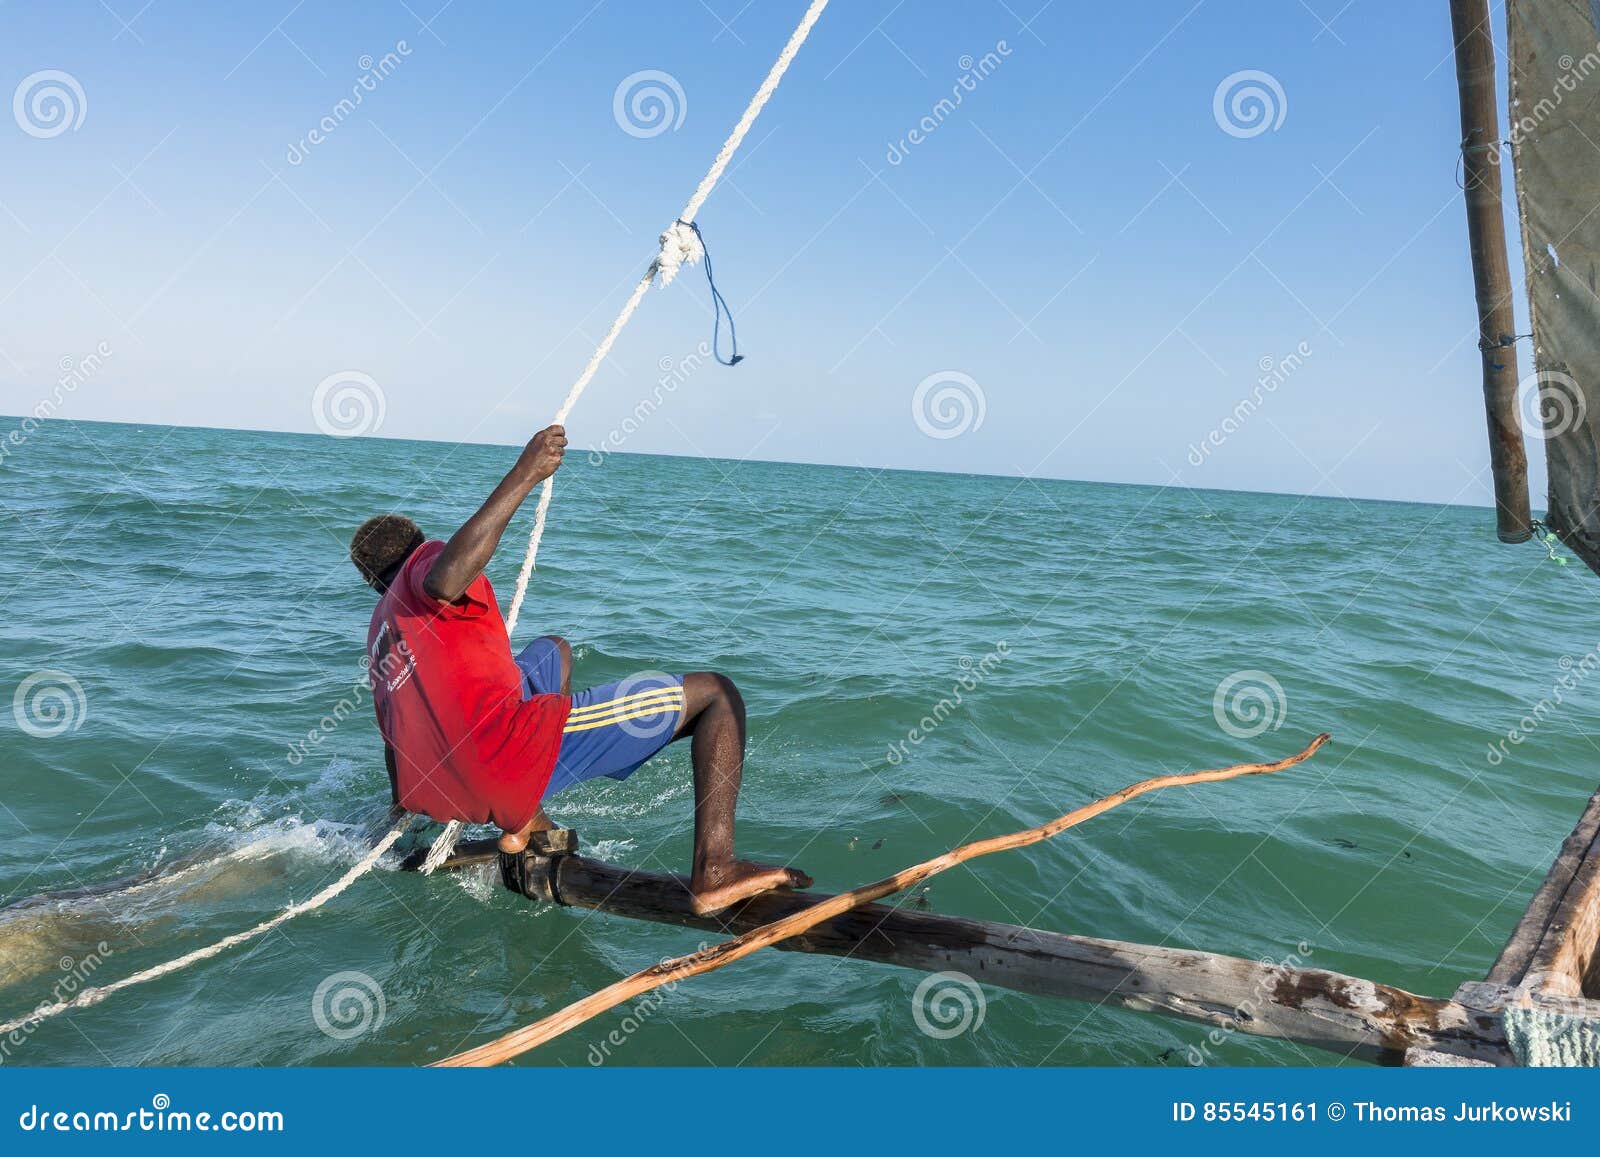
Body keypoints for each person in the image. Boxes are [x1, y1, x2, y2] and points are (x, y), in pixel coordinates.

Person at [349, 424, 809, 915]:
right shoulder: (425, 569)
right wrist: (525, 474)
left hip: (434, 790)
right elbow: (445, 578)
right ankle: (715, 870)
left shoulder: (382, 633)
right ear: (418, 548)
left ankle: (529, 818)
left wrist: (402, 810)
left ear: (371, 581)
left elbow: (394, 739)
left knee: (552, 651)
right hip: (497, 763)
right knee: (717, 693)